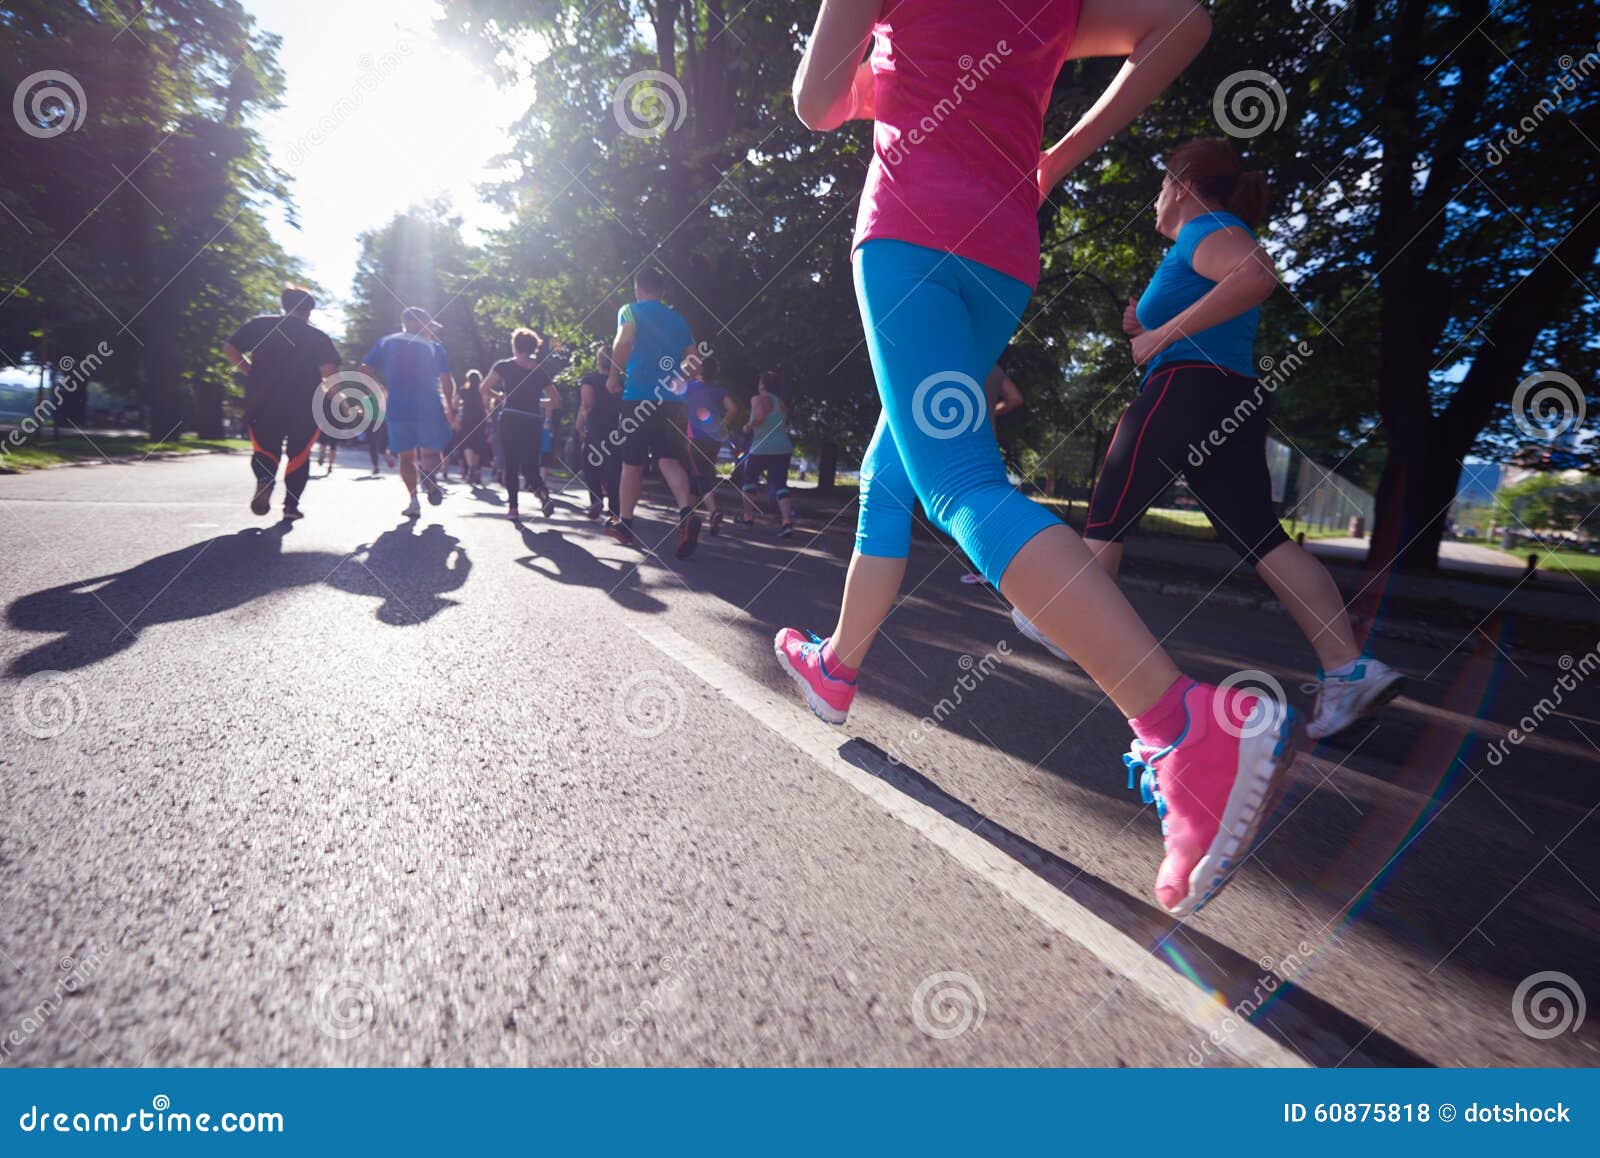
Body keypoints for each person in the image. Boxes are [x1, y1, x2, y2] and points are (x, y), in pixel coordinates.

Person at [777, 0, 1291, 919]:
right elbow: (1183, 26)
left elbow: (816, 103)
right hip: (1004, 250)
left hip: (911, 229)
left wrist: (880, 78)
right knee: (896, 461)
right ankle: (837, 667)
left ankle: (1180, 726)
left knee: (960, 482)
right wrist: (1057, 156)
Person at [1026, 137, 1403, 741]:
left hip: (1188, 388)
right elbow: (1216, 299)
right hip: (1229, 396)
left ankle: (1069, 622)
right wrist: (1143, 327)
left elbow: (1255, 275)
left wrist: (1157, 339)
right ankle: (1348, 671)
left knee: (1110, 508)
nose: (1153, 202)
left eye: (1158, 188)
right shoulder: (1195, 243)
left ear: (1180, 185)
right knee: (1261, 537)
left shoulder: (1208, 227)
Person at [604, 265, 703, 558]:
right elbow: (696, 364)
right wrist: (677, 382)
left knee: (631, 463)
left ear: (637, 288)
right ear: (662, 292)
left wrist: (613, 375)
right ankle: (687, 512)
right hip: (670, 401)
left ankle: (625, 523)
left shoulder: (630, 310)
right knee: (667, 458)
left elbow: (623, 341)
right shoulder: (678, 320)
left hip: (637, 397)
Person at [223, 285, 340, 520]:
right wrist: (340, 400)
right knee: (299, 453)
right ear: (309, 311)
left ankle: (265, 479)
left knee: (265, 447)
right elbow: (329, 375)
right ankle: (290, 507)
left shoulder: (260, 325)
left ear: (284, 305)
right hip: (305, 404)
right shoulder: (318, 337)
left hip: (263, 399)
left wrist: (249, 371)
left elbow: (229, 348)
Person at [360, 307, 456, 519]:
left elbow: (365, 369)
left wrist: (380, 391)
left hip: (398, 406)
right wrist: (449, 407)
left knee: (405, 457)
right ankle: (429, 479)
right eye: (428, 326)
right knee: (431, 452)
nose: (430, 330)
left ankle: (414, 502)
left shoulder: (386, 342)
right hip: (428, 406)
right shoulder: (434, 347)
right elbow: (445, 380)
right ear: (417, 324)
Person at [483, 328, 560, 521]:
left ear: (514, 345)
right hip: (532, 420)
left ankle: (513, 508)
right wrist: (537, 402)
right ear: (533, 347)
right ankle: (541, 491)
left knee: (511, 463)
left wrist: (501, 397)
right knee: (530, 463)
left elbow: (484, 388)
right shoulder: (539, 370)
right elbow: (556, 401)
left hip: (510, 417)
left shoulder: (504, 366)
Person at [740, 370, 798, 536]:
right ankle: (786, 522)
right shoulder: (781, 403)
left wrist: (747, 426)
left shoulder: (757, 399)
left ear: (762, 384)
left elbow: (759, 417)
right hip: (782, 447)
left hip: (761, 448)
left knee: (749, 481)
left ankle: (748, 518)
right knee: (780, 485)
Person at [684, 368, 740, 535]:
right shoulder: (719, 391)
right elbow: (733, 409)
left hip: (696, 440)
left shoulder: (693, 386)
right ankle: (687, 517)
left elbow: (677, 388)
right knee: (697, 479)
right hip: (713, 439)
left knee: (701, 477)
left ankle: (713, 512)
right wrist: (722, 424)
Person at [577, 344, 623, 520]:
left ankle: (595, 498)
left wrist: (581, 424)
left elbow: (586, 403)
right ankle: (614, 509)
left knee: (590, 464)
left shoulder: (590, 379)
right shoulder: (622, 381)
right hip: (617, 427)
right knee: (614, 467)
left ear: (598, 360)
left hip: (596, 425)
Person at [454, 368, 492, 485]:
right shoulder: (483, 391)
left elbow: (454, 403)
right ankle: (476, 469)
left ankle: (471, 467)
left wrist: (460, 407)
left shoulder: (463, 391)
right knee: (478, 444)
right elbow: (486, 405)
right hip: (480, 420)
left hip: (467, 420)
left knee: (468, 444)